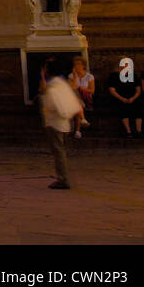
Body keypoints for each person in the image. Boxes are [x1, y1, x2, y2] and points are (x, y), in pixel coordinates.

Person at [41, 57, 81, 190]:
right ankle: (63, 177)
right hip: (64, 123)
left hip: (55, 122)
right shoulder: (62, 84)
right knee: (61, 151)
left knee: (59, 152)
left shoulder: (53, 88)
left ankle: (63, 178)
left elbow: (58, 107)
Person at [107, 60, 143, 136]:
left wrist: (133, 98)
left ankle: (138, 130)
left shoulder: (133, 75)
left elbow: (138, 89)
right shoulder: (114, 75)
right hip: (119, 97)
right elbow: (112, 90)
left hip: (132, 96)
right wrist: (122, 98)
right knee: (122, 106)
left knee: (138, 104)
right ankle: (128, 130)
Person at [69, 55, 94, 138]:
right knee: (77, 104)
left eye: (79, 64)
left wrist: (81, 88)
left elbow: (92, 91)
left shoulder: (89, 77)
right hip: (75, 100)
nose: (77, 66)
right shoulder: (71, 76)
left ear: (83, 65)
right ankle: (79, 129)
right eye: (75, 64)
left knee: (76, 102)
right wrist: (75, 76)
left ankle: (78, 129)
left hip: (86, 98)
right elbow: (72, 88)